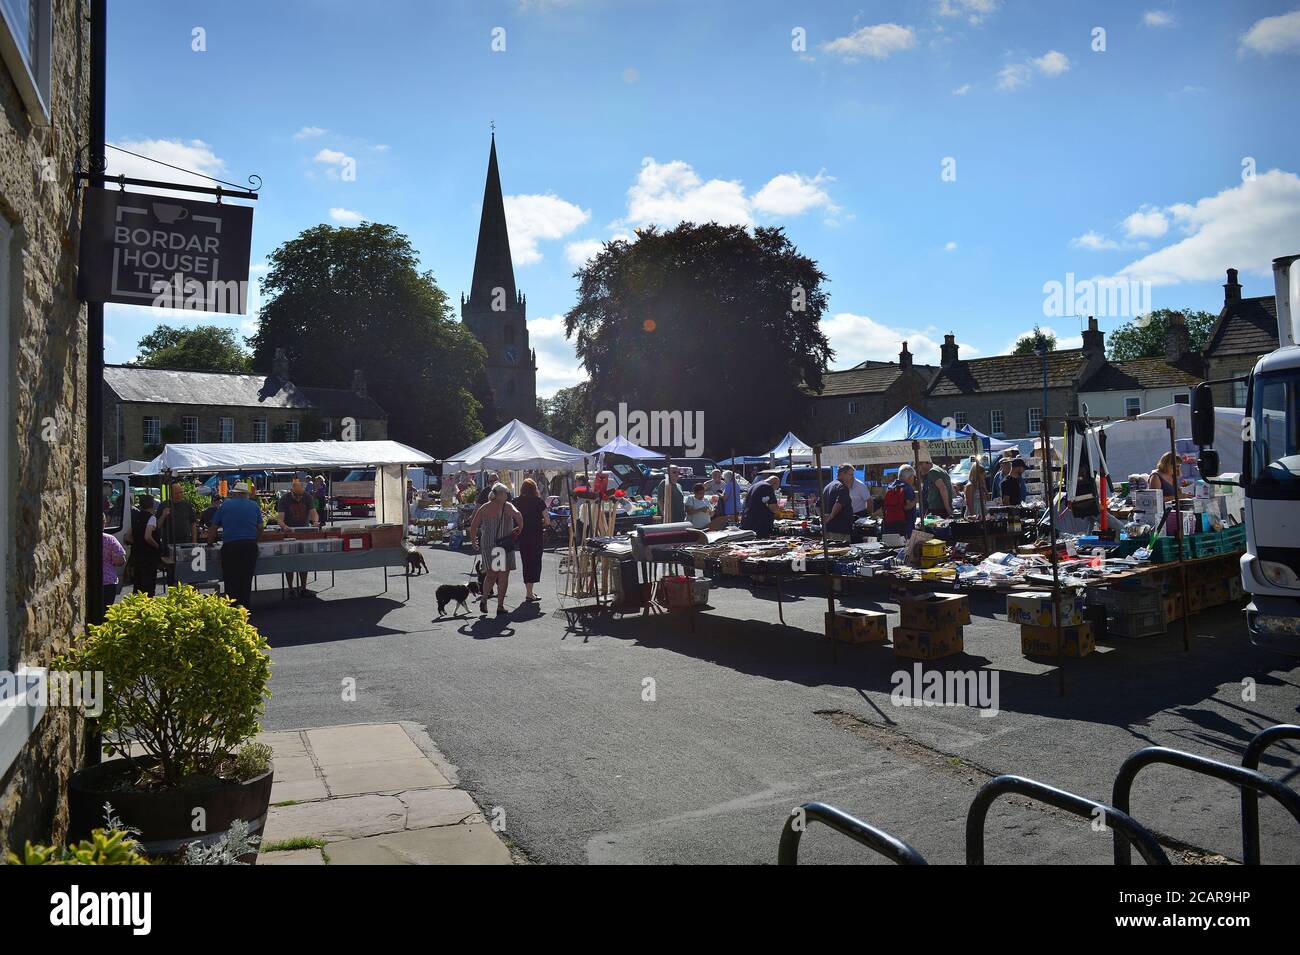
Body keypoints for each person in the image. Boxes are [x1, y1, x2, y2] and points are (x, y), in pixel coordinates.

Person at [469, 482, 523, 617]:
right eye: (506, 493)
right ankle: (500, 606)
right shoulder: (507, 506)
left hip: (488, 544)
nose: (507, 495)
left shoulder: (484, 507)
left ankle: (484, 599)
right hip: (502, 545)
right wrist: (519, 529)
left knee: (491, 574)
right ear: (500, 494)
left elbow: (473, 526)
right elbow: (519, 517)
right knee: (503, 575)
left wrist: (473, 541)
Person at [208, 482, 264, 609]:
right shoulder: (254, 505)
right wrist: (255, 540)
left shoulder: (225, 506)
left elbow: (214, 527)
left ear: (235, 493)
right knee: (246, 578)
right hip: (249, 546)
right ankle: (244, 609)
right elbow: (260, 527)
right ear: (246, 494)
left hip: (231, 546)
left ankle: (232, 608)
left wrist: (209, 542)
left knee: (231, 578)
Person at [276, 479, 320, 596]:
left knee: (303, 560)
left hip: (303, 531)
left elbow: (314, 512)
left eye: (301, 495)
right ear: (291, 491)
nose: (299, 498)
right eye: (297, 495)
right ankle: (290, 588)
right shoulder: (284, 499)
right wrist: (284, 526)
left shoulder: (307, 497)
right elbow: (280, 518)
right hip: (288, 532)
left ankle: (303, 588)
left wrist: (315, 522)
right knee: (289, 562)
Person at [515, 477, 551, 603]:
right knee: (534, 562)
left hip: (522, 535)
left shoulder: (516, 501)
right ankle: (530, 593)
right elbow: (547, 520)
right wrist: (540, 522)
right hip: (536, 536)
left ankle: (529, 592)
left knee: (526, 563)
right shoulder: (538, 501)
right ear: (534, 489)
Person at [157, 482, 197, 586]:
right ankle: (173, 591)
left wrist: (194, 541)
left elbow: (193, 524)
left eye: (181, 492)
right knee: (172, 571)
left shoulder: (187, 505)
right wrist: (164, 515)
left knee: (187, 570)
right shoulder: (164, 505)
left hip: (185, 543)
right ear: (171, 494)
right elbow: (158, 526)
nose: (179, 495)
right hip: (170, 544)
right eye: (177, 493)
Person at [125, 494, 162, 597]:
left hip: (137, 554)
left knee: (138, 584)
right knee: (149, 584)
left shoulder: (136, 517)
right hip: (149, 556)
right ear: (152, 505)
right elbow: (148, 536)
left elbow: (128, 536)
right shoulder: (152, 518)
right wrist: (157, 546)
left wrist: (137, 542)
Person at [821, 464, 857, 543]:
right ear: (842, 473)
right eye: (850, 474)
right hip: (840, 530)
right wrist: (831, 516)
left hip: (828, 528)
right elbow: (839, 503)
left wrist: (824, 518)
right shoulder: (842, 487)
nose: (852, 477)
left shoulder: (827, 486)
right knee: (840, 552)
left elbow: (817, 505)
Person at [881, 465, 918, 538]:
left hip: (889, 523)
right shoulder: (907, 488)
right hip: (905, 524)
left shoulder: (890, 486)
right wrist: (917, 499)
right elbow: (908, 506)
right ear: (910, 477)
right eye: (914, 477)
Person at [101, 531, 126, 614]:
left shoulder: (85, 537)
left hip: (89, 581)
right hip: (108, 581)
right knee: (106, 613)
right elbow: (120, 560)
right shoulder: (110, 539)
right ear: (104, 524)